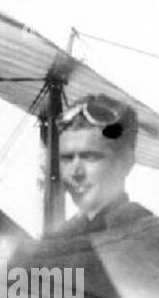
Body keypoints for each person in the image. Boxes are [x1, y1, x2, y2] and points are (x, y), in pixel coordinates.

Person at [46, 94, 152, 237]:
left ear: (125, 163)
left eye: (90, 157)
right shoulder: (57, 241)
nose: (76, 172)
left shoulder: (150, 235)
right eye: (67, 159)